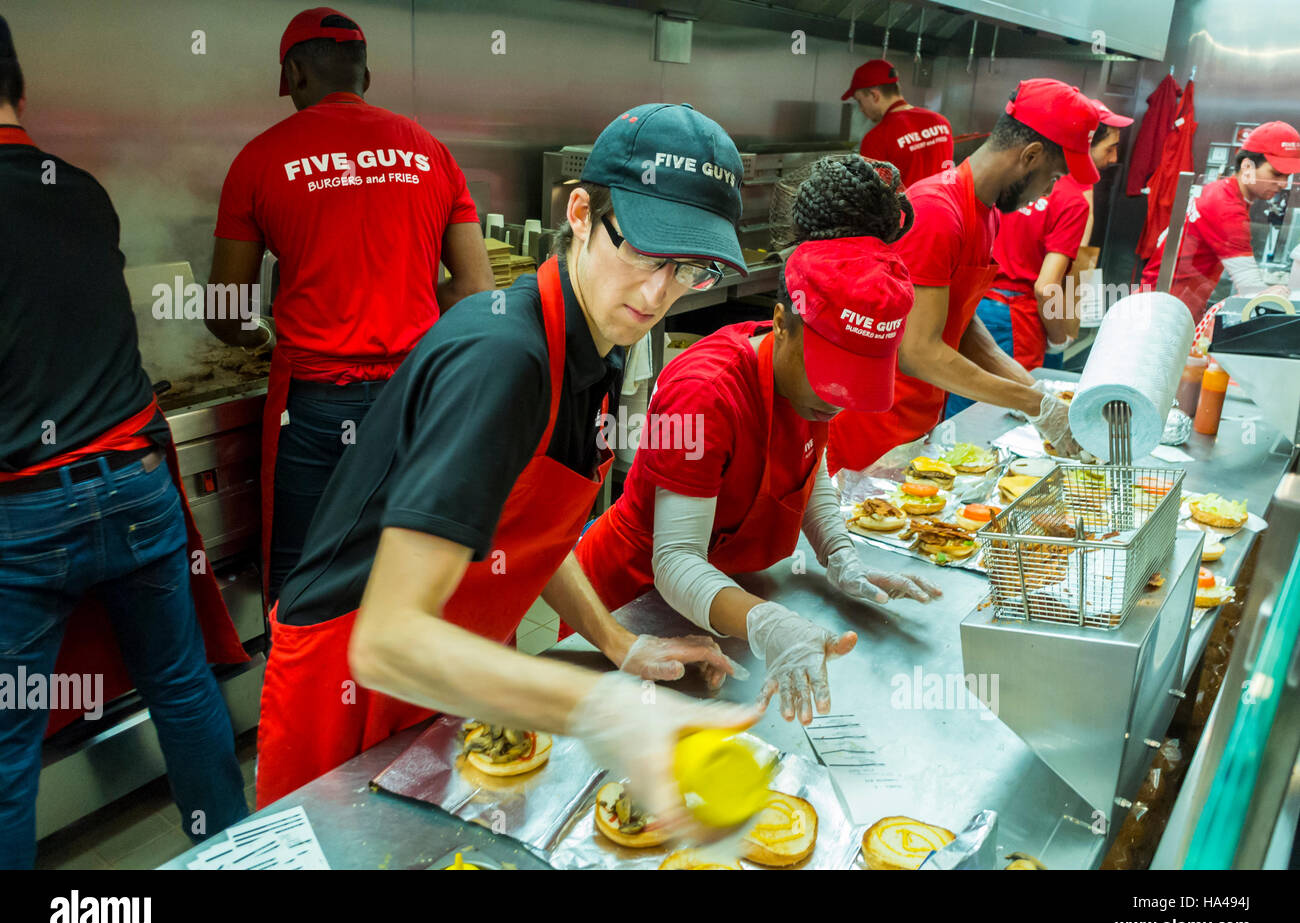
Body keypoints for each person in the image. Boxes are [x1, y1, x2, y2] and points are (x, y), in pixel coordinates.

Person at [255, 104, 760, 834]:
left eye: (692, 269)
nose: (660, 294)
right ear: (582, 213)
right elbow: (387, 640)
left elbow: (525, 524)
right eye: (646, 253)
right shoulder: (503, 357)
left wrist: (616, 642)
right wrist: (599, 708)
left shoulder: (597, 338)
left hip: (456, 673)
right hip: (352, 688)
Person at [568, 156, 944, 724]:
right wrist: (769, 623)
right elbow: (674, 562)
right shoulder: (708, 392)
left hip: (723, 608)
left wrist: (839, 554)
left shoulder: (807, 386)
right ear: (781, 321)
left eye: (855, 383)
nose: (836, 401)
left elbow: (806, 466)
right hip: (631, 609)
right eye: (830, 377)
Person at [0, 15, 246, 868]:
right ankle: (236, 855)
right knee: (180, 686)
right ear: (21, 90)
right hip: (137, 484)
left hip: (25, 512)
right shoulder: (79, 188)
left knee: (5, 744)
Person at [206, 7, 494, 602]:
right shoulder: (430, 151)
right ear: (367, 73)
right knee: (412, 574)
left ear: (295, 72)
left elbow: (226, 310)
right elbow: (475, 290)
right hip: (416, 402)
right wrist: (409, 299)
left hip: (315, 414)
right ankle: (395, 691)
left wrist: (258, 332)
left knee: (302, 583)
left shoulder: (259, 159)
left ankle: (308, 688)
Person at [827, 79, 1101, 477]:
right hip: (872, 434)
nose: (1047, 191)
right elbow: (917, 351)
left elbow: (960, 321)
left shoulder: (984, 212)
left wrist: (1035, 392)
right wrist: (1030, 404)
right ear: (1031, 155)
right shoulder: (938, 212)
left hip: (914, 426)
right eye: (1053, 177)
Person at [968, 99, 1132, 388]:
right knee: (1009, 413)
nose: (1112, 159)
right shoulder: (1072, 200)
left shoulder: (1006, 182)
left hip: (975, 309)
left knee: (964, 403)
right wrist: (1059, 338)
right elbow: (1047, 287)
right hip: (1016, 321)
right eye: (1109, 148)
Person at [1140, 121, 1300, 320]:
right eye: (1276, 174)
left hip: (1172, 303)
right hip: (1163, 311)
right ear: (1247, 166)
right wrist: (1277, 293)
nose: (1283, 184)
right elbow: (1250, 287)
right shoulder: (1226, 206)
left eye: (1288, 176)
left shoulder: (1221, 190)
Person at [842, 59, 954, 187]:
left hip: (904, 207)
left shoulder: (876, 138)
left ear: (874, 95)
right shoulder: (941, 122)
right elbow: (948, 176)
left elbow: (871, 197)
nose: (861, 109)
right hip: (943, 205)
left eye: (860, 101)